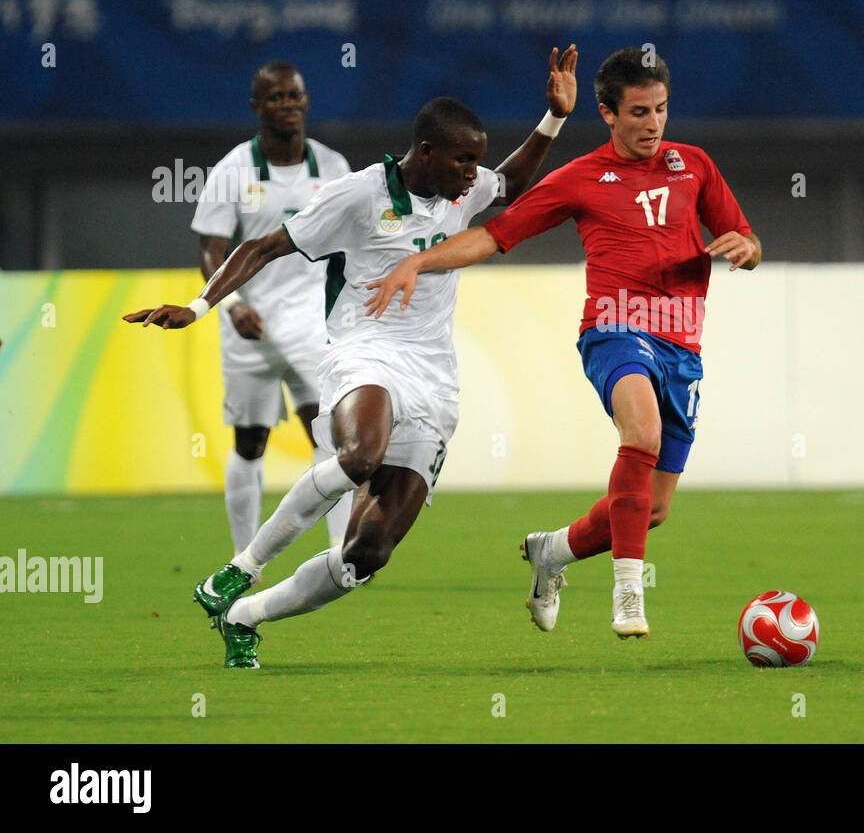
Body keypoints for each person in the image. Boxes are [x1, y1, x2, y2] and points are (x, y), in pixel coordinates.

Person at [124, 45, 579, 667]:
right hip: (364, 352)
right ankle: (240, 569)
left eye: (477, 160)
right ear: (425, 153)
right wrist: (201, 306)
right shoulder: (360, 193)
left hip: (435, 381)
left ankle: (243, 617)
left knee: (369, 553)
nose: (475, 173)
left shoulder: (461, 191)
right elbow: (262, 246)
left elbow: (513, 182)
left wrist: (553, 118)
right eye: (464, 159)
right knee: (359, 456)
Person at [364, 47, 760, 639]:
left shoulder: (694, 165)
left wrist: (744, 250)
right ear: (607, 113)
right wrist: (419, 261)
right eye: (638, 113)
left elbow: (746, 238)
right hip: (615, 329)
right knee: (643, 433)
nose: (653, 124)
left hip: (683, 342)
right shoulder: (580, 179)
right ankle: (629, 594)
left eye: (661, 110)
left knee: (653, 510)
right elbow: (494, 235)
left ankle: (552, 552)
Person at [191, 61, 353, 557]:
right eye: (277, 98)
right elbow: (210, 252)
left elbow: (353, 242)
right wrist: (232, 302)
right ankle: (246, 558)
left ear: (306, 100)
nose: (289, 105)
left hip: (313, 323)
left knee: (330, 438)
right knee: (249, 442)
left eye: (295, 96)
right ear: (257, 107)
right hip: (250, 327)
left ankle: (340, 553)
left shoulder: (334, 167)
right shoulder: (233, 169)